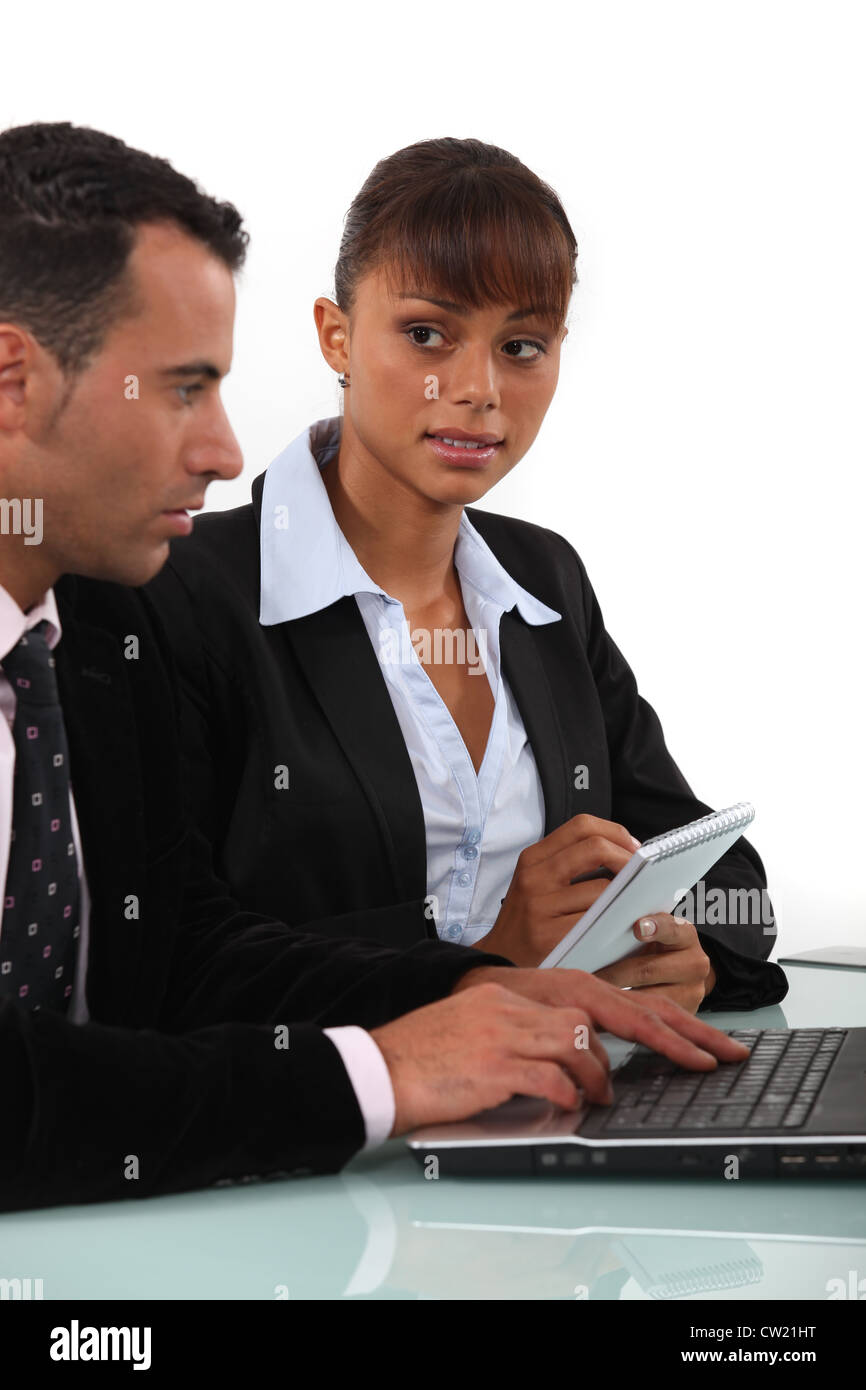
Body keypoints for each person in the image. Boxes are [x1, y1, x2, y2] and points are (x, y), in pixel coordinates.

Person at [0, 123, 749, 1212]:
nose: (222, 451)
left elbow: (182, 950)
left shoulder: (76, 631)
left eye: (523, 345)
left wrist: (490, 995)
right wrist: (389, 1060)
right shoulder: (162, 601)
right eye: (179, 390)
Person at [144, 136, 787, 1015]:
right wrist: (478, 951)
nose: (479, 388)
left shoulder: (542, 580)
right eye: (426, 334)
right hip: (334, 1127)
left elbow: (723, 873)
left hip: (559, 1100)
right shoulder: (180, 591)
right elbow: (166, 957)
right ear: (336, 336)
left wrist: (688, 948)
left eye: (522, 346)